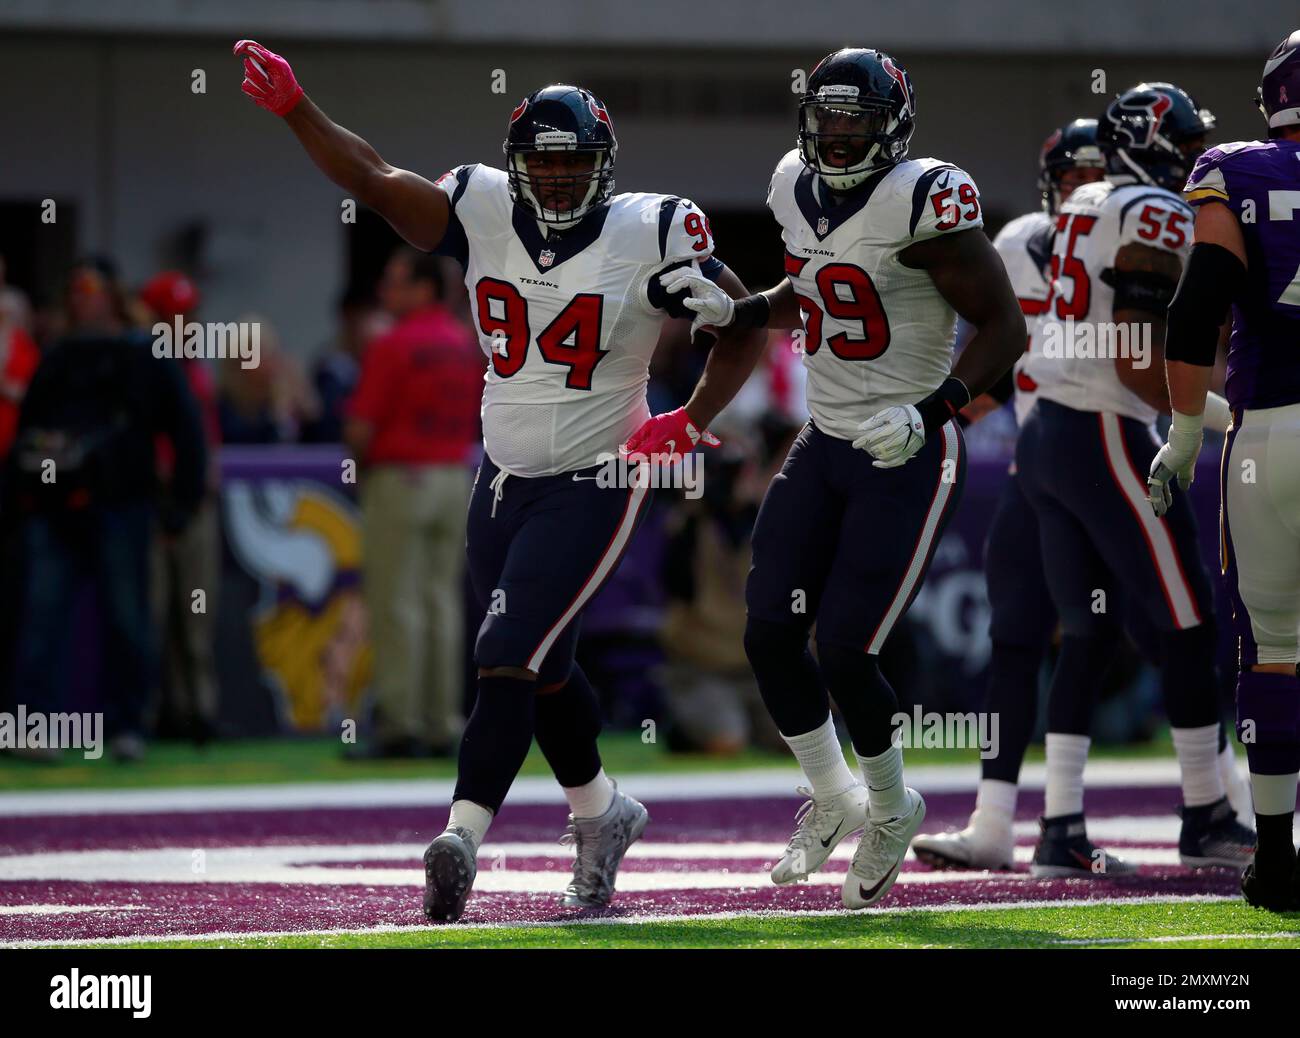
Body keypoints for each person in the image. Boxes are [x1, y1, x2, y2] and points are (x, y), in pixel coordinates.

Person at [233, 40, 766, 920]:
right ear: (517, 168)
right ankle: (602, 813)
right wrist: (298, 109)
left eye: (574, 165)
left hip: (600, 471)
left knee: (504, 653)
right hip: (501, 476)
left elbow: (742, 327)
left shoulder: (650, 230)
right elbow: (370, 177)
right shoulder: (479, 207)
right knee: (544, 666)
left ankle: (460, 838)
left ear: (605, 169)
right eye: (544, 165)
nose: (558, 182)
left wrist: (692, 416)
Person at [670, 47, 1025, 908]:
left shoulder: (926, 197)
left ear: (890, 129)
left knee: (847, 646)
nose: (835, 134)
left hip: (905, 446)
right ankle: (836, 795)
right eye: (826, 118)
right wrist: (745, 309)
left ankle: (894, 806)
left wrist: (936, 410)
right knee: (767, 634)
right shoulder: (795, 182)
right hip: (825, 438)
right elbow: (821, 287)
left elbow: (1005, 327)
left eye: (854, 121)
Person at [912, 120, 1250, 871]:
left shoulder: (1093, 222)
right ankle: (1008, 818)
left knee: (1102, 634)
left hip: (1062, 443)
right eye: (1071, 175)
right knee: (1037, 637)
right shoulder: (1051, 232)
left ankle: (1066, 822)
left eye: (1088, 173)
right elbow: (1028, 364)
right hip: (1075, 441)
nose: (1078, 187)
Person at [1012, 83, 1255, 875]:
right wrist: (1225, 420)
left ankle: (1058, 828)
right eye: (1183, 147)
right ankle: (1206, 815)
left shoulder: (1089, 203)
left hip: (1049, 435)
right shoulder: (1150, 210)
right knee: (1188, 625)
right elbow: (1139, 362)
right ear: (1150, 147)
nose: (1193, 161)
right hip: (1105, 430)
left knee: (1088, 632)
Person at [1148, 30, 1300, 909]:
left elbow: (1198, 302)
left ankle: (1276, 857)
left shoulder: (1234, 170)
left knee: (1272, 650)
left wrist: (1182, 431)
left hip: (1271, 434)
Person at [8, 258, 206, 761]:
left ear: (114, 295)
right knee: (41, 617)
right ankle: (33, 727)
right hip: (56, 509)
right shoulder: (58, 356)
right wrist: (27, 487)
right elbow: (27, 431)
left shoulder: (145, 355)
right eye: (72, 290)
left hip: (122, 505)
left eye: (88, 288)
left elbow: (187, 434)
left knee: (127, 618)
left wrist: (180, 508)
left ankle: (127, 726)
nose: (78, 298)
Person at [343, 246, 482, 759]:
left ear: (424, 289)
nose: (386, 293)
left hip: (402, 479)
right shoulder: (465, 344)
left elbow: (361, 426)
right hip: (454, 476)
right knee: (440, 604)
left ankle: (401, 725)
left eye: (397, 283)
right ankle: (442, 722)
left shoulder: (392, 345)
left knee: (396, 604)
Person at [139, 271, 224, 744]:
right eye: (178, 315)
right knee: (153, 614)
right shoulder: (144, 363)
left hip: (195, 500)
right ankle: (156, 713)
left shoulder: (196, 366)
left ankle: (200, 712)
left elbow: (205, 434)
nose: (188, 321)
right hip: (155, 497)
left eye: (190, 313)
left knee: (197, 613)